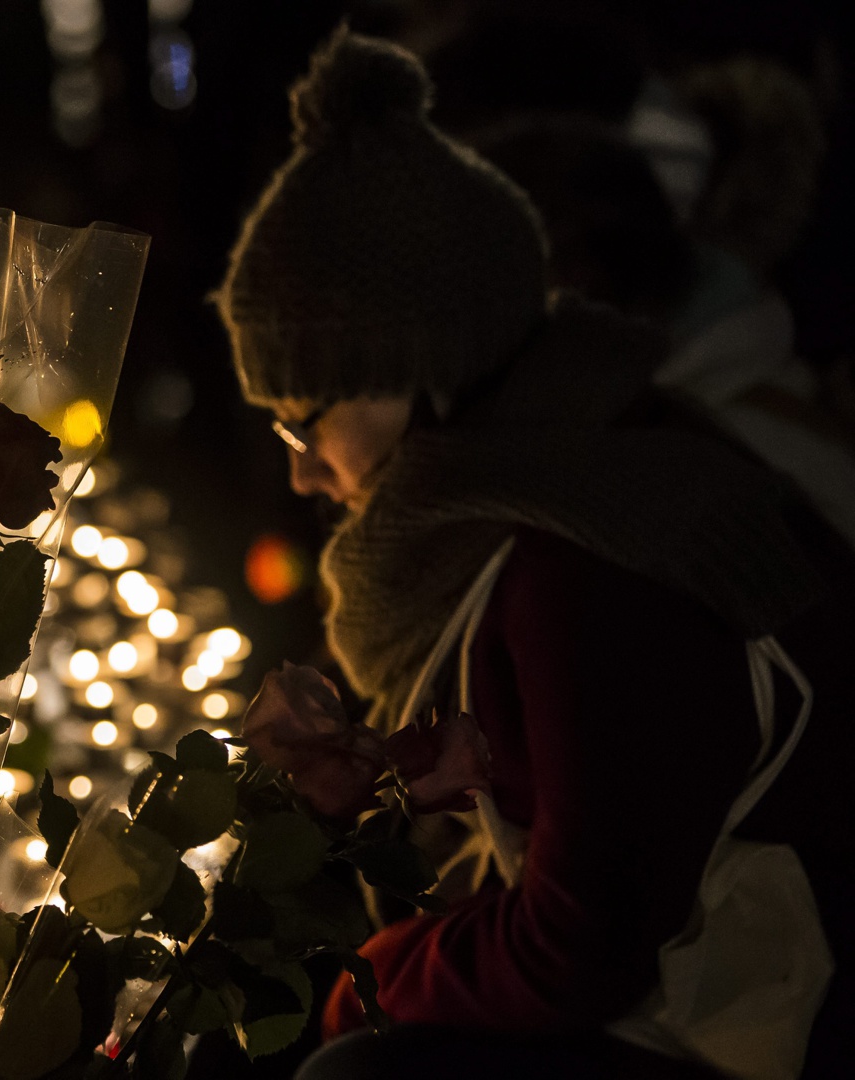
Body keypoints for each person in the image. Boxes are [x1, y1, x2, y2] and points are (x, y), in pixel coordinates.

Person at [217, 28, 852, 1080]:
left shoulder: (581, 554)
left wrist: (374, 972)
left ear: (416, 370)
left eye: (303, 421)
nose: (303, 472)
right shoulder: (538, 482)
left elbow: (579, 944)